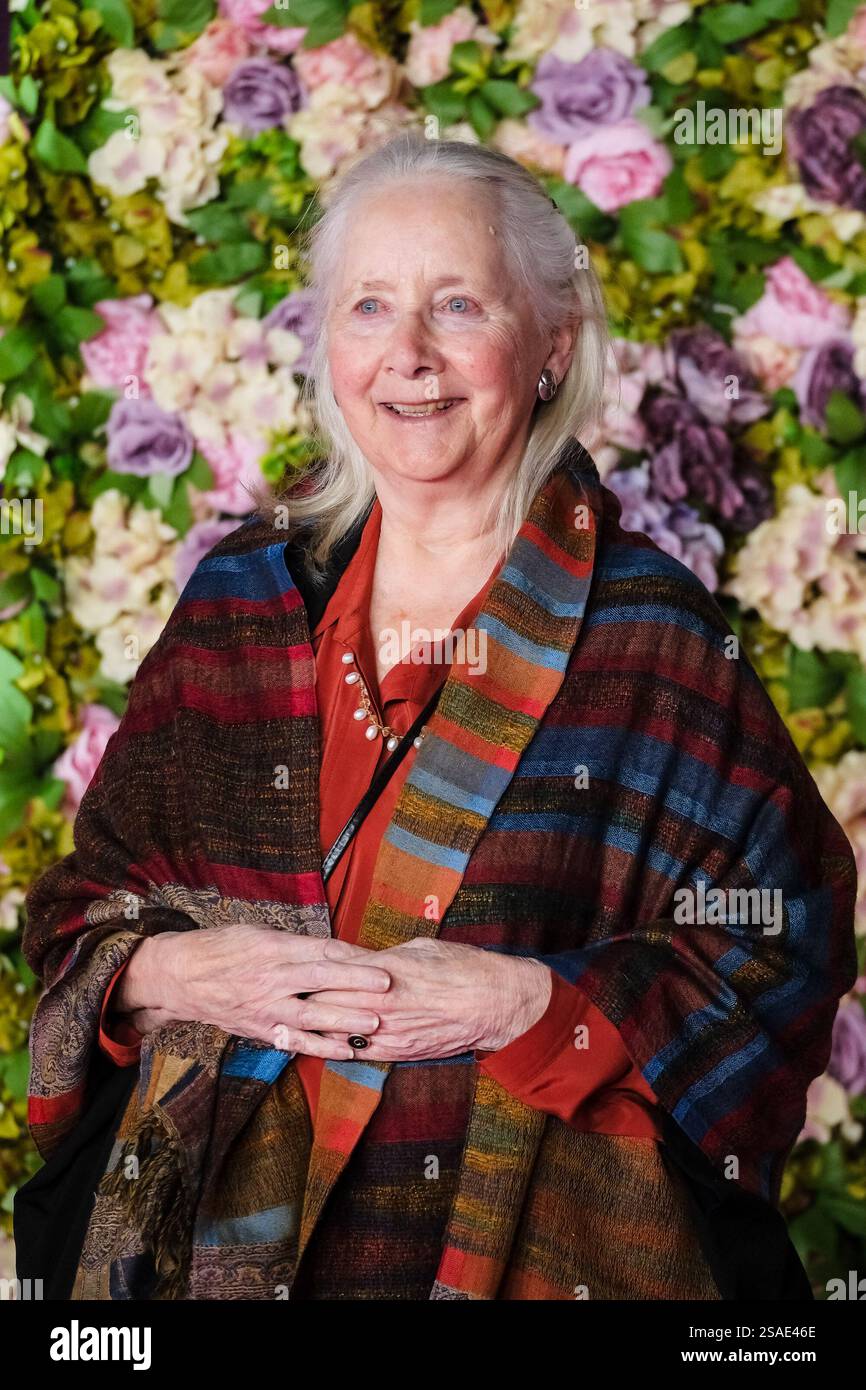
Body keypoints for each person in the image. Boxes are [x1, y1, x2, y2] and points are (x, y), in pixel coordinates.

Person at [20, 133, 858, 1301]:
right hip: (204, 1255)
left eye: (455, 304)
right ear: (329, 343)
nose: (406, 355)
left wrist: (532, 1001)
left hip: (520, 1260)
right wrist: (183, 974)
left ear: (549, 345)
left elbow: (783, 939)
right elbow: (79, 920)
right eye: (368, 306)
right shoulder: (242, 594)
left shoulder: (651, 632)